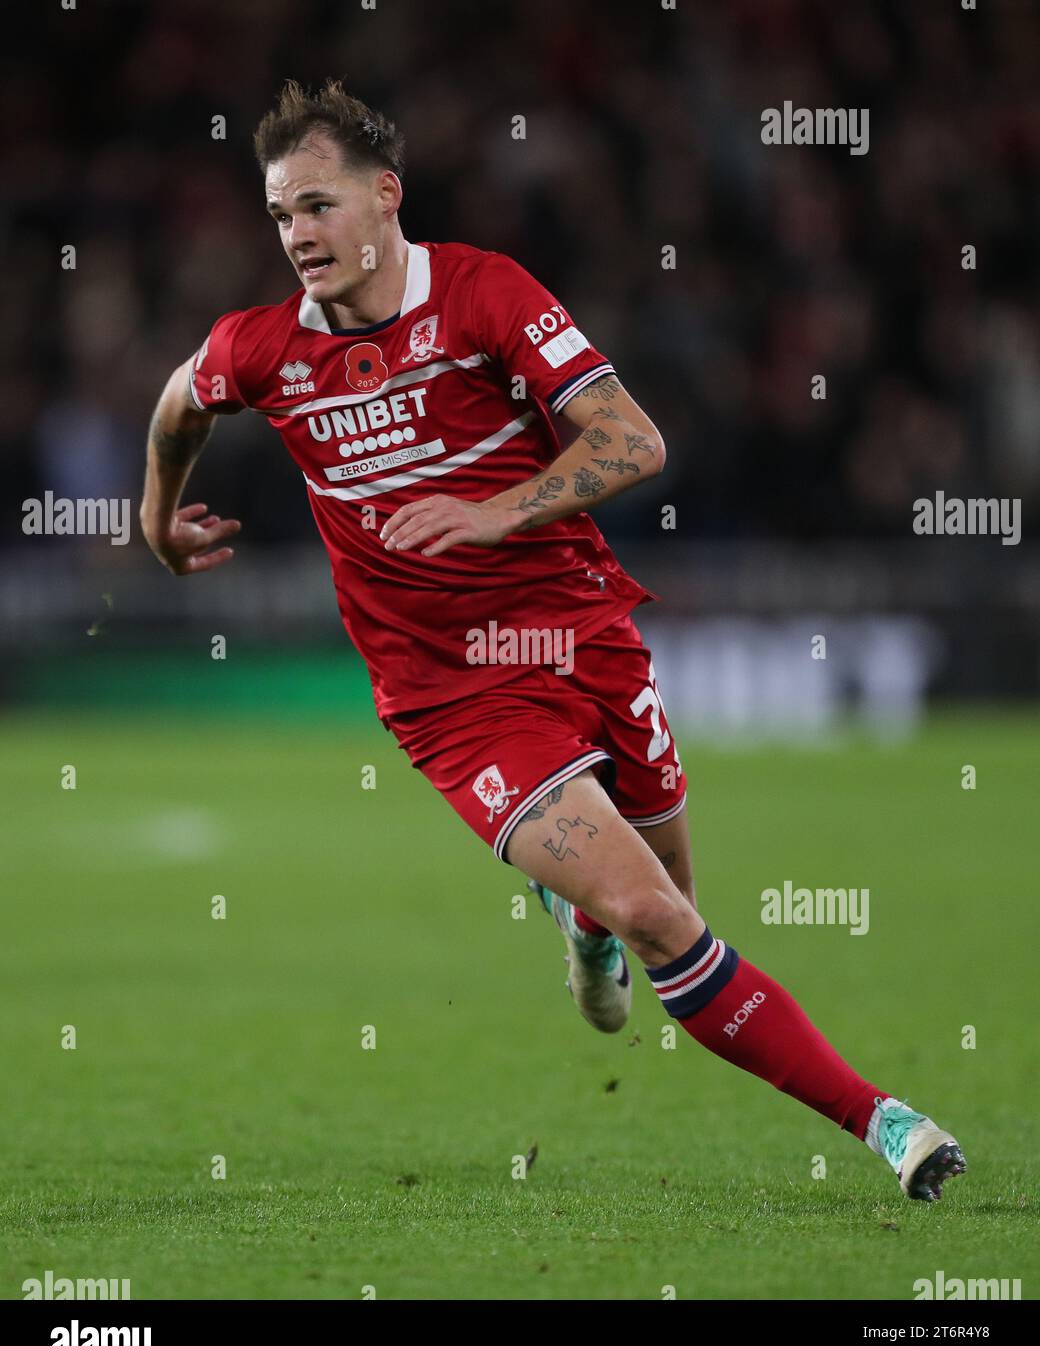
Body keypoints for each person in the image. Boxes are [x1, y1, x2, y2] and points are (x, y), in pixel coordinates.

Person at [140, 79, 965, 1202]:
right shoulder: (262, 348)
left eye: (318, 206)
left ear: (385, 198)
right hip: (452, 693)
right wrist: (156, 522)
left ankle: (580, 925)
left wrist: (497, 509)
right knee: (655, 912)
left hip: (585, 639)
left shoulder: (482, 296)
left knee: (674, 895)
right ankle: (885, 1121)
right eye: (281, 214)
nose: (297, 235)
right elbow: (179, 405)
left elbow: (632, 440)